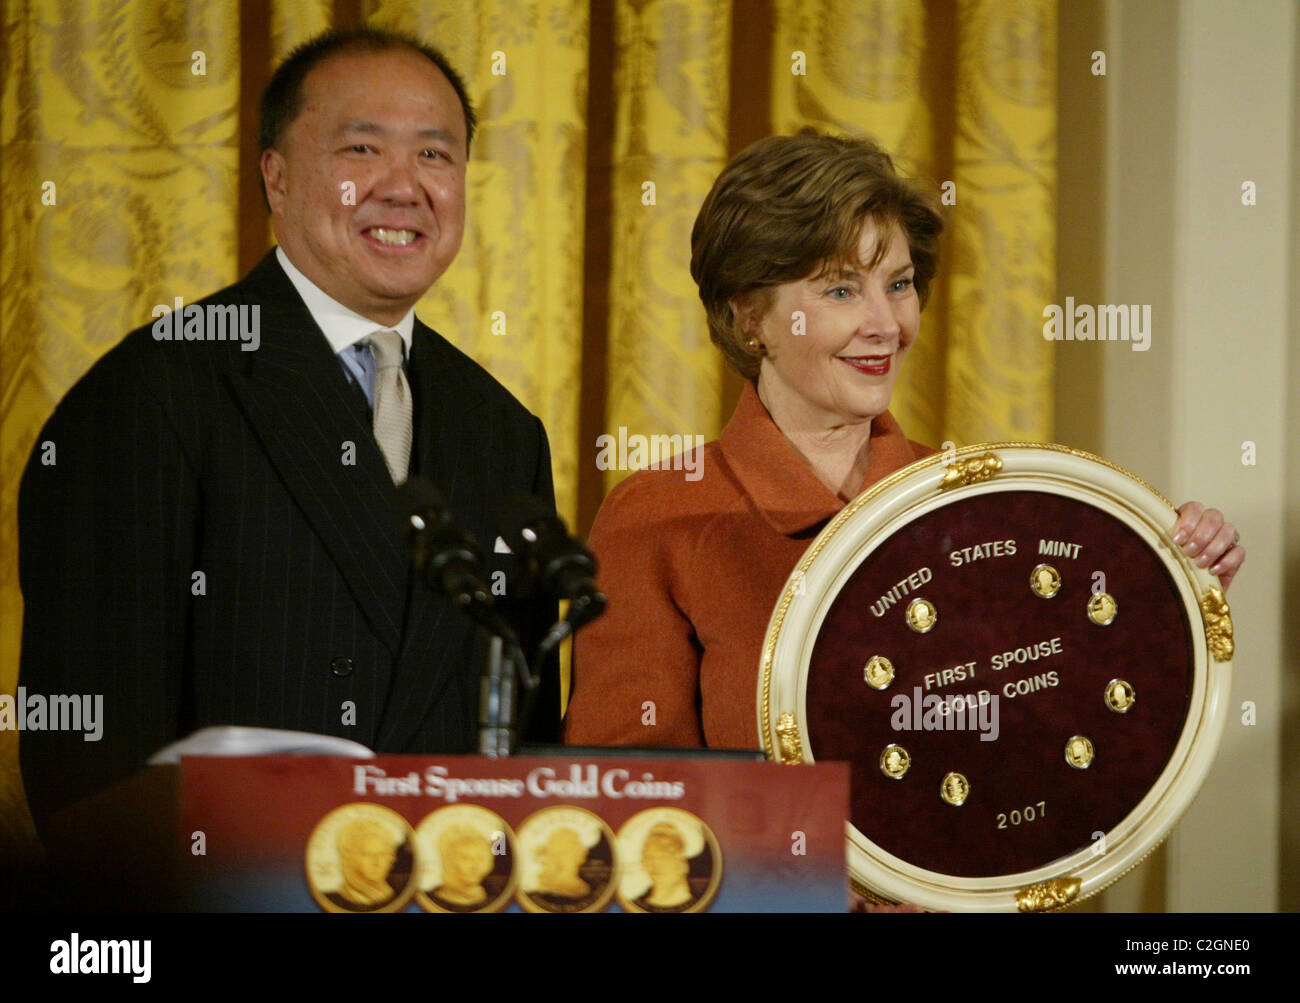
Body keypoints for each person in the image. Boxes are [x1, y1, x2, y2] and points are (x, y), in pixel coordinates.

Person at [18, 28, 560, 839]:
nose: (404, 186)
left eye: (436, 157)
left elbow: (529, 746)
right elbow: (87, 753)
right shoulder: (154, 393)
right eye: (362, 148)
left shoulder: (504, 430)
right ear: (276, 176)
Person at [564, 130, 1245, 750]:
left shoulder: (980, 502)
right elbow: (635, 809)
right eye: (840, 291)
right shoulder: (655, 517)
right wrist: (811, 871)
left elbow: (1070, 726)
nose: (886, 324)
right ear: (751, 318)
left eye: (898, 285)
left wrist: (1174, 585)